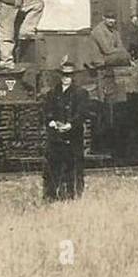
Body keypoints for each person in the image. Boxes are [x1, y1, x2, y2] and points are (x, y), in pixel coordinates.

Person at [42, 61, 90, 200]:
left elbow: (82, 113)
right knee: (53, 168)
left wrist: (70, 125)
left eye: (68, 75)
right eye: (63, 74)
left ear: (73, 76)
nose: (66, 77)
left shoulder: (81, 93)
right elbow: (47, 111)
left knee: (74, 168)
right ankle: (52, 196)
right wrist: (52, 122)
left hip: (73, 136)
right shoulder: (52, 93)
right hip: (56, 137)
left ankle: (73, 196)